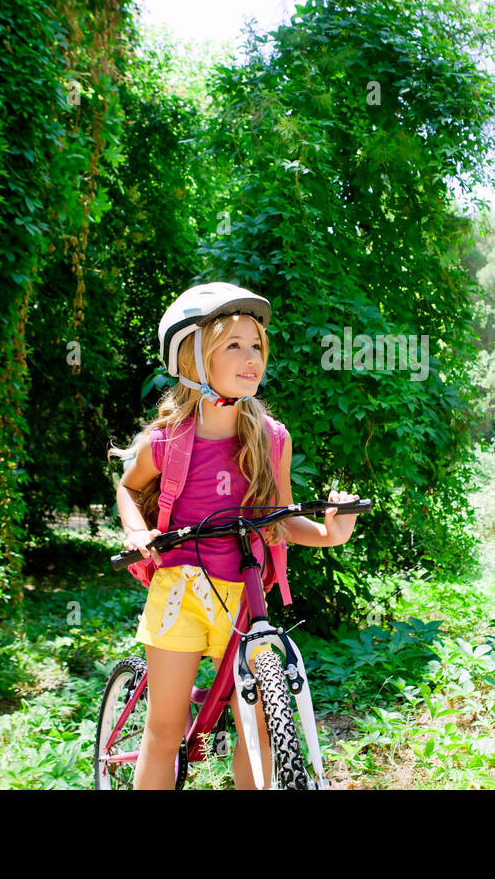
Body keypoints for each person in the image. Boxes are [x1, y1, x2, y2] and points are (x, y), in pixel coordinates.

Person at [109, 282, 359, 789]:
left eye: (256, 346)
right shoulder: (165, 441)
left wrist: (329, 532)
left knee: (262, 729)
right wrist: (138, 531)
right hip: (179, 591)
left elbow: (279, 520)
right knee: (163, 729)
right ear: (195, 359)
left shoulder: (272, 438)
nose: (252, 358)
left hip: (246, 595)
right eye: (234, 345)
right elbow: (127, 486)